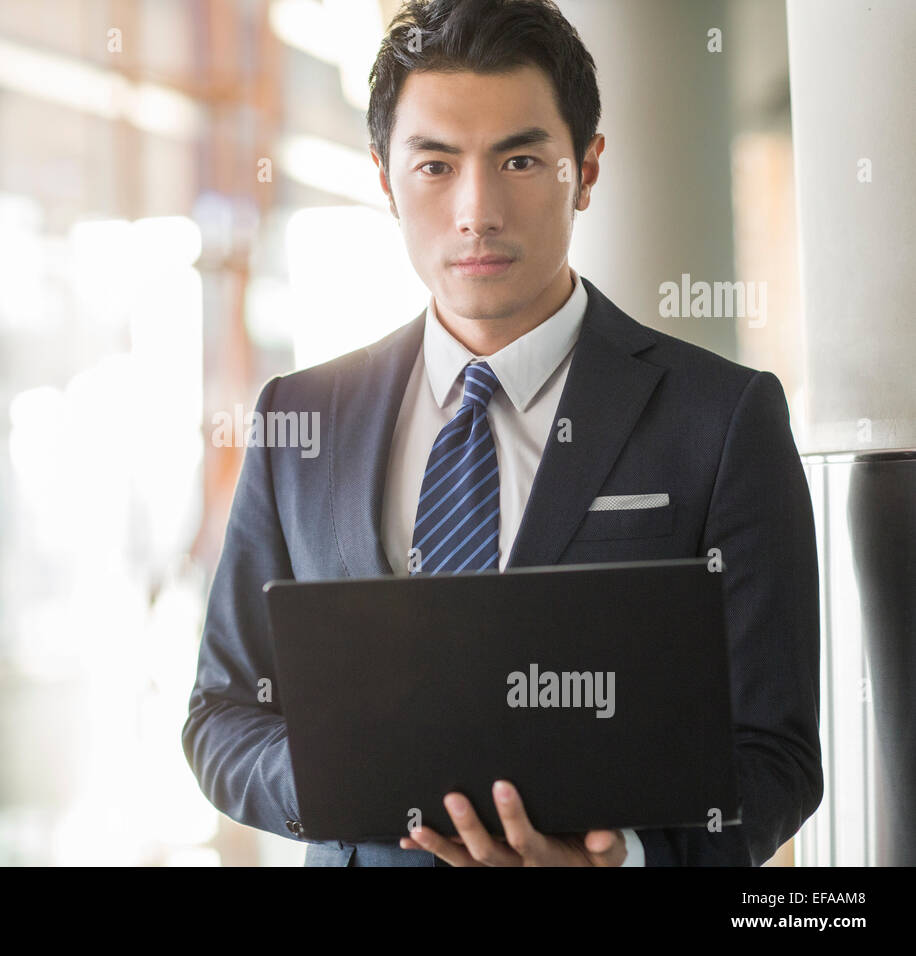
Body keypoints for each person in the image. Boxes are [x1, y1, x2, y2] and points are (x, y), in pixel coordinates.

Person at [182, 0, 822, 866]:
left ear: (585, 169)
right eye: (436, 165)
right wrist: (348, 783)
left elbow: (775, 753)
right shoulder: (304, 421)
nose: (476, 210)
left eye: (520, 159)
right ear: (384, 178)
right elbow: (222, 713)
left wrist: (622, 859)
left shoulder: (721, 419)